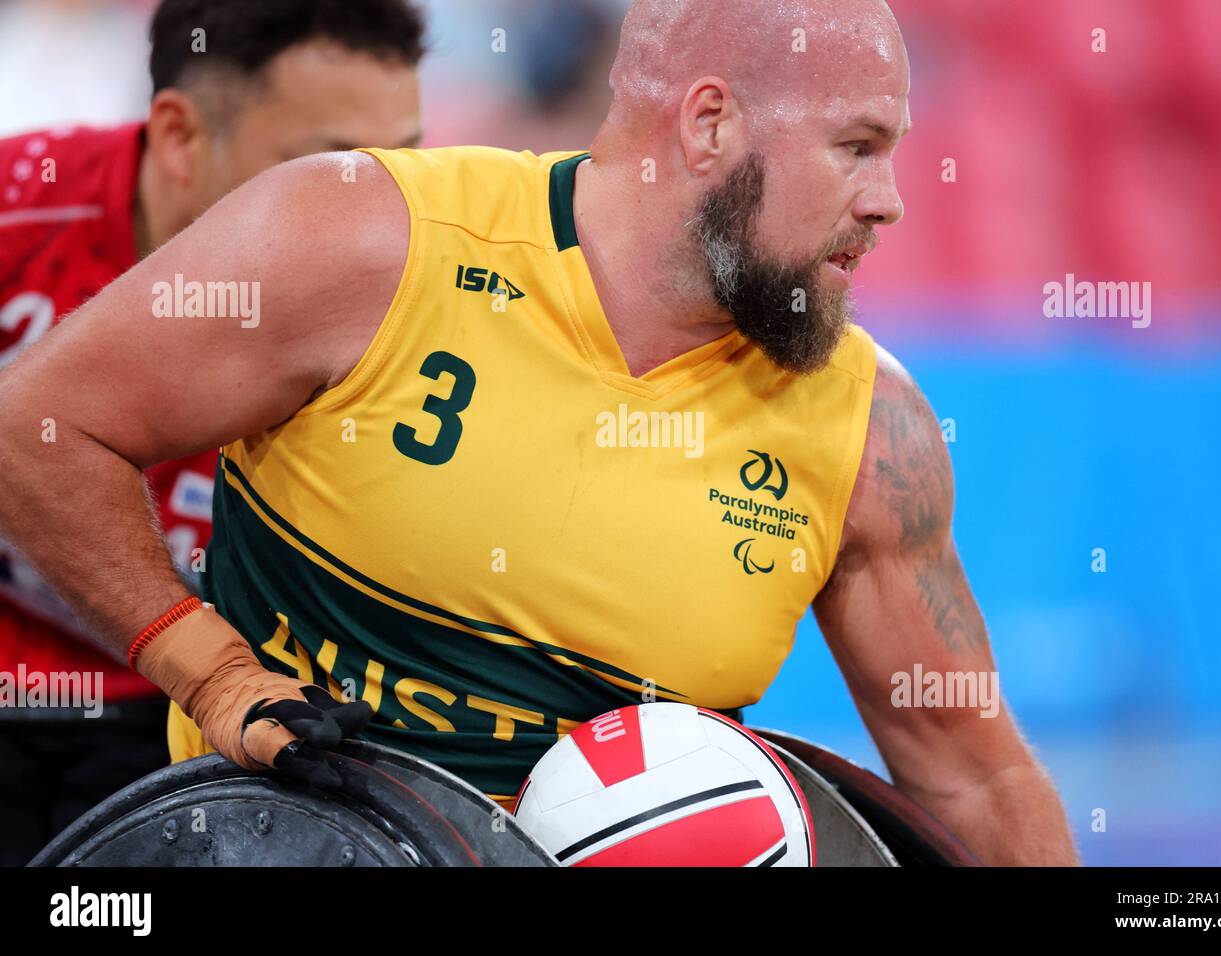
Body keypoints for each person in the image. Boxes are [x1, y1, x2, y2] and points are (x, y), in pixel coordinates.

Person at [0, 0, 1079, 865]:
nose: (890, 201)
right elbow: (34, 424)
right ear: (710, 125)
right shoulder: (363, 239)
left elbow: (972, 774)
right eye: (856, 147)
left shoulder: (871, 430)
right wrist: (213, 673)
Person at [0, 0, 425, 866]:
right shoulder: (19, 214)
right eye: (327, 169)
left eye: (408, 166)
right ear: (183, 136)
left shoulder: (424, 303)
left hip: (204, 731)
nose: (383, 218)